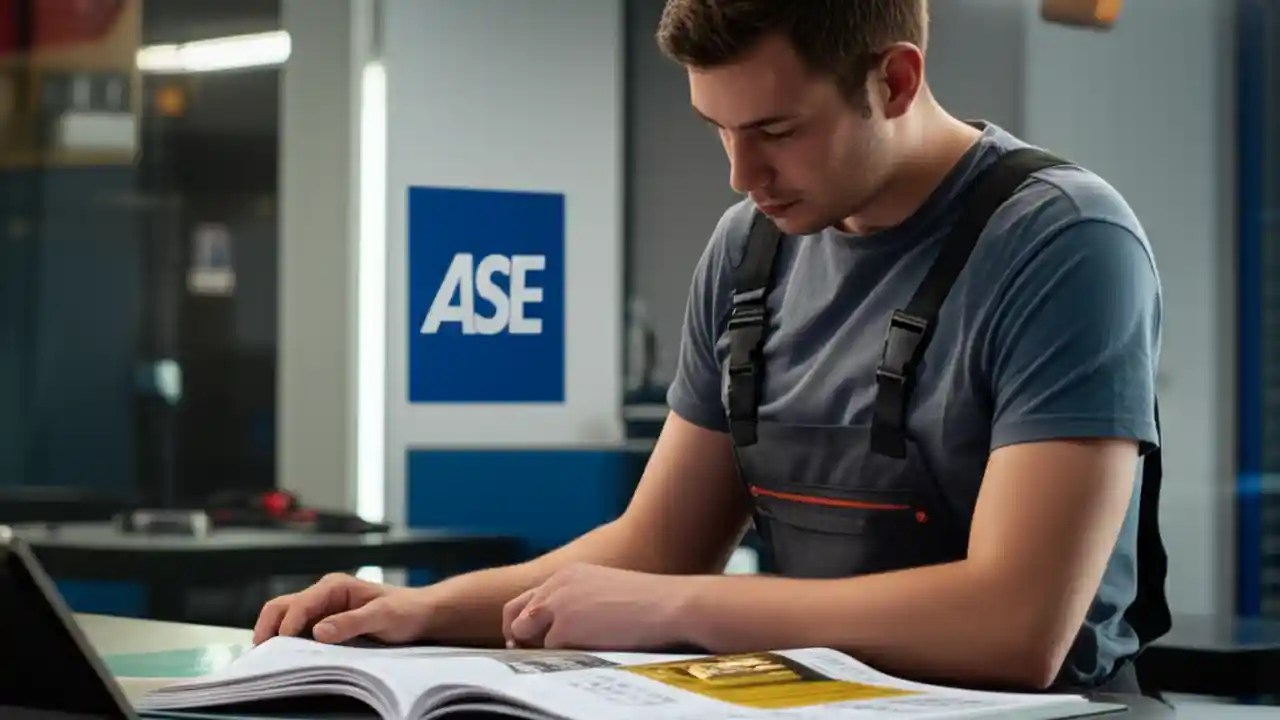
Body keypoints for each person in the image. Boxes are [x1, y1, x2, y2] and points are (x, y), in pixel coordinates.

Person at [253, 0, 1170, 694]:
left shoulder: (1063, 244)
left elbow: (1014, 625)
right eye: (720, 132)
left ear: (893, 81)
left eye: (775, 131)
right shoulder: (750, 250)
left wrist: (680, 609)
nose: (742, 175)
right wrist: (421, 612)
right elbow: (656, 545)